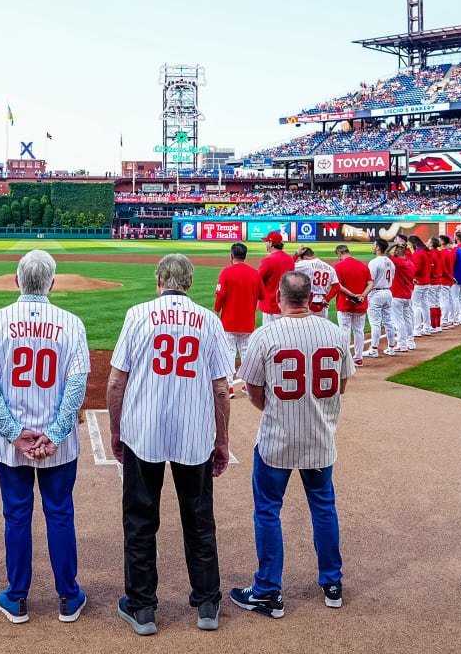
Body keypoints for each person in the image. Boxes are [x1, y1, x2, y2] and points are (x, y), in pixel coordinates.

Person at [107, 254, 233, 635]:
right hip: (194, 436)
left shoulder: (137, 314)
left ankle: (143, 608)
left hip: (143, 434)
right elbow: (221, 389)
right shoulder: (210, 320)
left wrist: (116, 431)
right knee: (199, 520)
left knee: (140, 521)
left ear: (158, 280)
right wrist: (222, 439)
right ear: (190, 282)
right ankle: (207, 603)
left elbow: (115, 384)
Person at [0, 250, 90, 625]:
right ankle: (69, 598)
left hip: (12, 445)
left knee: (17, 516)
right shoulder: (71, 323)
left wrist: (15, 434)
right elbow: (76, 387)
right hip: (59, 445)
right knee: (60, 515)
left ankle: (18, 598)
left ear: (16, 280)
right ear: (52, 283)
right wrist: (53, 434)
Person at [228, 271, 352, 617]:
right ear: (311, 296)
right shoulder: (335, 333)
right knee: (323, 509)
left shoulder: (265, 335)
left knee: (268, 511)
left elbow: (251, 388)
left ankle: (268, 590)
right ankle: (332, 584)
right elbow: (341, 386)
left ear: (279, 298)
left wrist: (276, 410)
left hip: (276, 440)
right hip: (320, 440)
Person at [214, 242, 262, 366]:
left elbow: (220, 296)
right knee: (247, 355)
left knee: (228, 354)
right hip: (247, 322)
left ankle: (229, 384)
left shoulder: (225, 272)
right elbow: (262, 296)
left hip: (229, 322)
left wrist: (215, 312)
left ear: (231, 256)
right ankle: (248, 384)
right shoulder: (255, 274)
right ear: (245, 257)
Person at [332, 244, 369, 368]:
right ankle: (358, 358)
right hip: (360, 303)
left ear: (339, 253)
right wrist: (362, 295)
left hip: (345, 303)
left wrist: (351, 295)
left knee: (344, 331)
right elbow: (371, 283)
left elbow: (338, 285)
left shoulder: (339, 266)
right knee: (359, 331)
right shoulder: (363, 266)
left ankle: (345, 359)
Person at [365, 240, 396, 358]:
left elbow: (370, 281)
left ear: (378, 248)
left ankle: (374, 349)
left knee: (375, 323)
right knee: (388, 321)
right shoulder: (390, 262)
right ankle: (391, 347)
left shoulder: (374, 262)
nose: (372, 247)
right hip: (388, 292)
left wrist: (363, 294)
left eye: (374, 246)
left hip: (376, 293)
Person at [257, 232, 294, 326]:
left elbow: (258, 279)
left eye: (266, 242)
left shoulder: (269, 259)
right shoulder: (289, 258)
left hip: (270, 305)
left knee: (269, 336)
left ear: (271, 243)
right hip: (286, 304)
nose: (265, 244)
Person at [293, 247, 338, 318]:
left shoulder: (305, 263)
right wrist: (327, 299)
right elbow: (336, 286)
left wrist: (296, 254)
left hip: (308, 301)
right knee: (322, 327)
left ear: (305, 257)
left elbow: (289, 265)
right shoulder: (330, 268)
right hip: (323, 303)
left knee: (306, 327)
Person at [388, 245, 416, 352]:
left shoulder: (399, 263)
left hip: (397, 295)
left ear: (399, 252)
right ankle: (411, 342)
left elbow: (385, 252)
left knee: (398, 321)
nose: (394, 252)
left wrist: (393, 245)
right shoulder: (410, 264)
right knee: (407, 319)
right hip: (407, 294)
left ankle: (402, 344)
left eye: (396, 251)